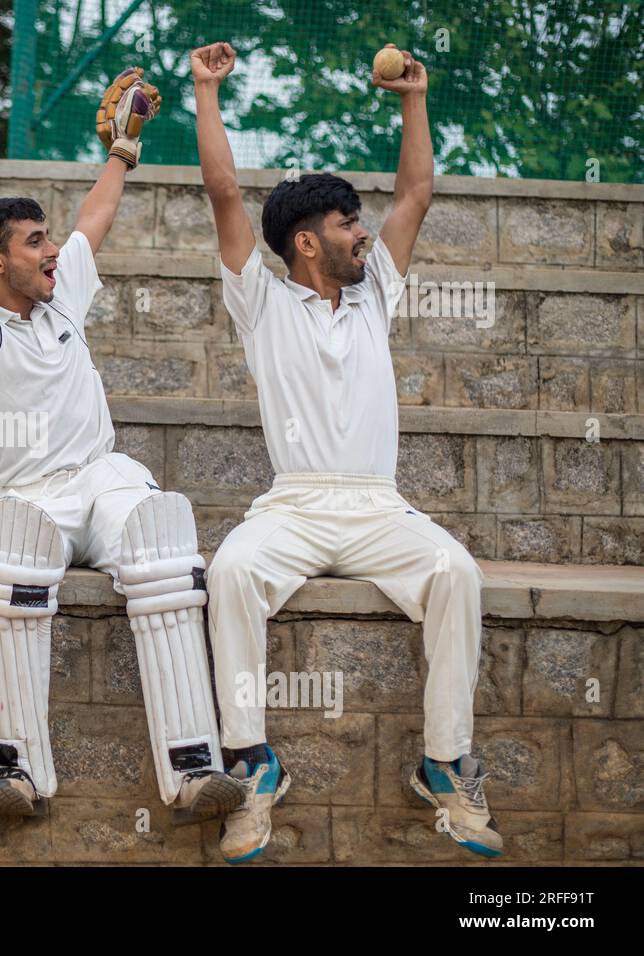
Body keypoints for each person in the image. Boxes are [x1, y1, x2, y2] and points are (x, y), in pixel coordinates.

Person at [0, 70, 246, 825]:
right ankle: (16, 772)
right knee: (8, 560)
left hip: (106, 480)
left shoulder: (60, 296)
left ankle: (195, 770)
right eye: (34, 243)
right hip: (34, 494)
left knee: (164, 541)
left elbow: (94, 220)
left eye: (47, 239)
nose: (53, 251)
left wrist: (123, 148)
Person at [192, 41, 501, 862]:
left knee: (457, 574)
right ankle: (254, 765)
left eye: (361, 222)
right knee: (229, 572)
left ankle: (443, 764)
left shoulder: (375, 295)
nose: (364, 234)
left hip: (376, 505)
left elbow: (418, 191)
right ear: (304, 243)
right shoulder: (260, 299)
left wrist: (414, 99)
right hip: (292, 505)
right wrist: (205, 90)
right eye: (346, 225)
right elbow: (223, 191)